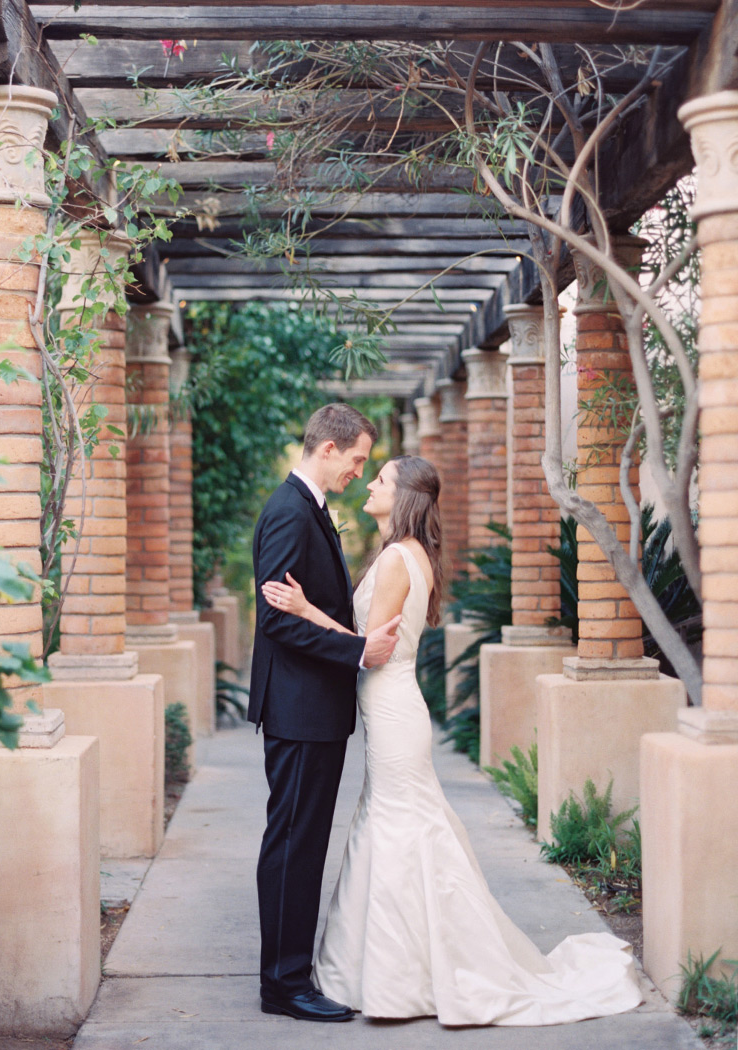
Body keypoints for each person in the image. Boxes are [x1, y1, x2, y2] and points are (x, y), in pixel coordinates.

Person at [261, 455, 643, 1027]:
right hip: (390, 710)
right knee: (393, 827)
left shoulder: (395, 560)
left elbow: (372, 648)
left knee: (398, 828)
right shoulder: (408, 554)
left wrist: (306, 608)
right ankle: (387, 969)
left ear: (406, 497)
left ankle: (406, 974)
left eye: (381, 479)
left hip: (392, 713)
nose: (370, 483)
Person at [248, 403, 401, 1023]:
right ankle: (283, 984)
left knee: (303, 842)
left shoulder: (307, 508)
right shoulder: (289, 511)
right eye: (358, 459)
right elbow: (275, 619)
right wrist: (358, 652)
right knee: (293, 843)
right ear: (329, 449)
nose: (359, 473)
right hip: (299, 708)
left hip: (311, 708)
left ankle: (290, 974)